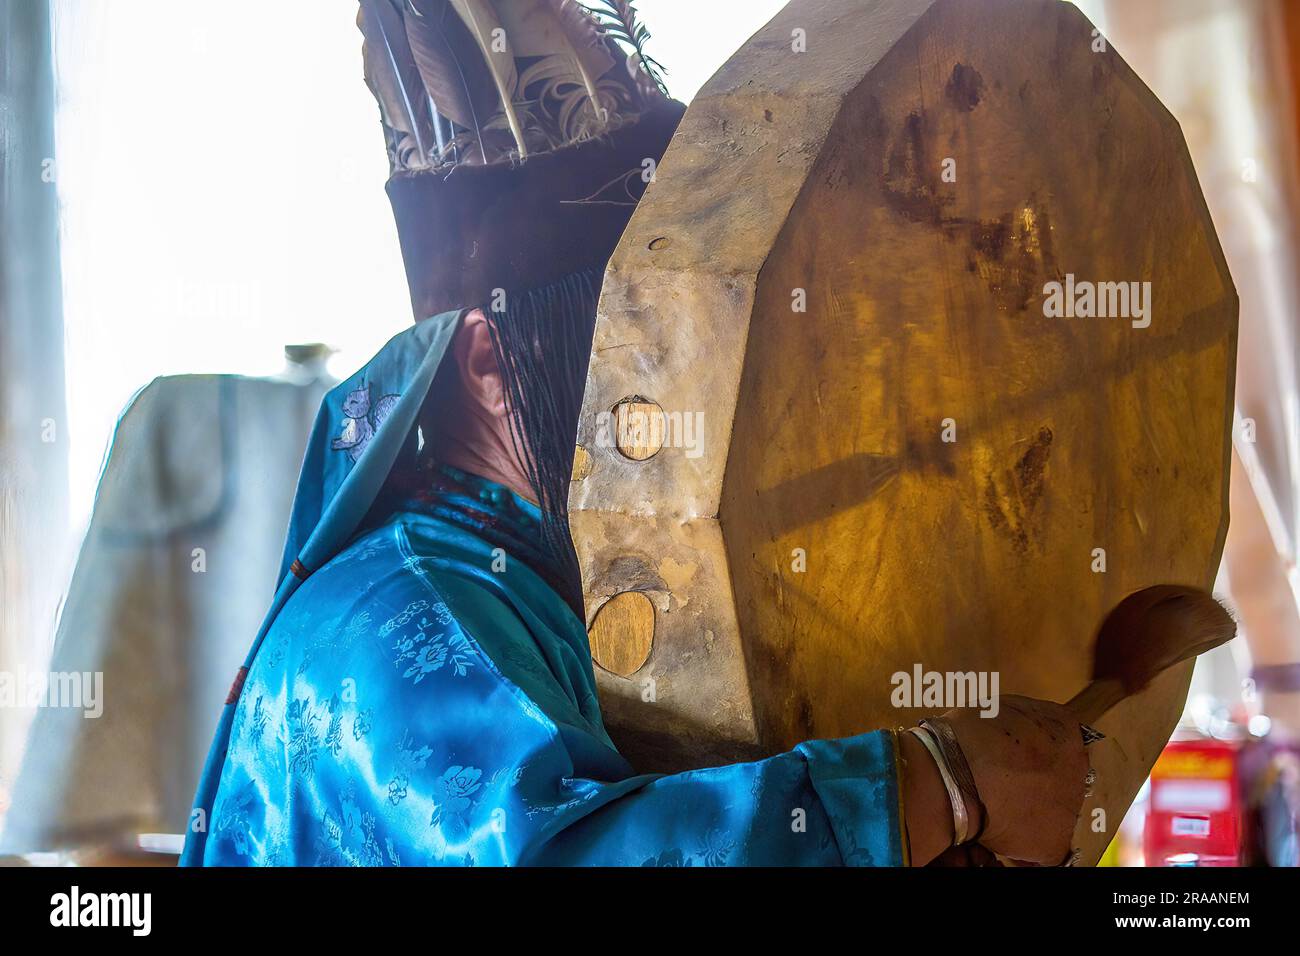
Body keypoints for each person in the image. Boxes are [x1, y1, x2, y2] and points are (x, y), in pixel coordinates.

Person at [181, 0, 1090, 867]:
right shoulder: (396, 624)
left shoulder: (557, 582)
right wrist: (934, 791)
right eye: (622, 340)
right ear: (485, 364)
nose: (680, 385)